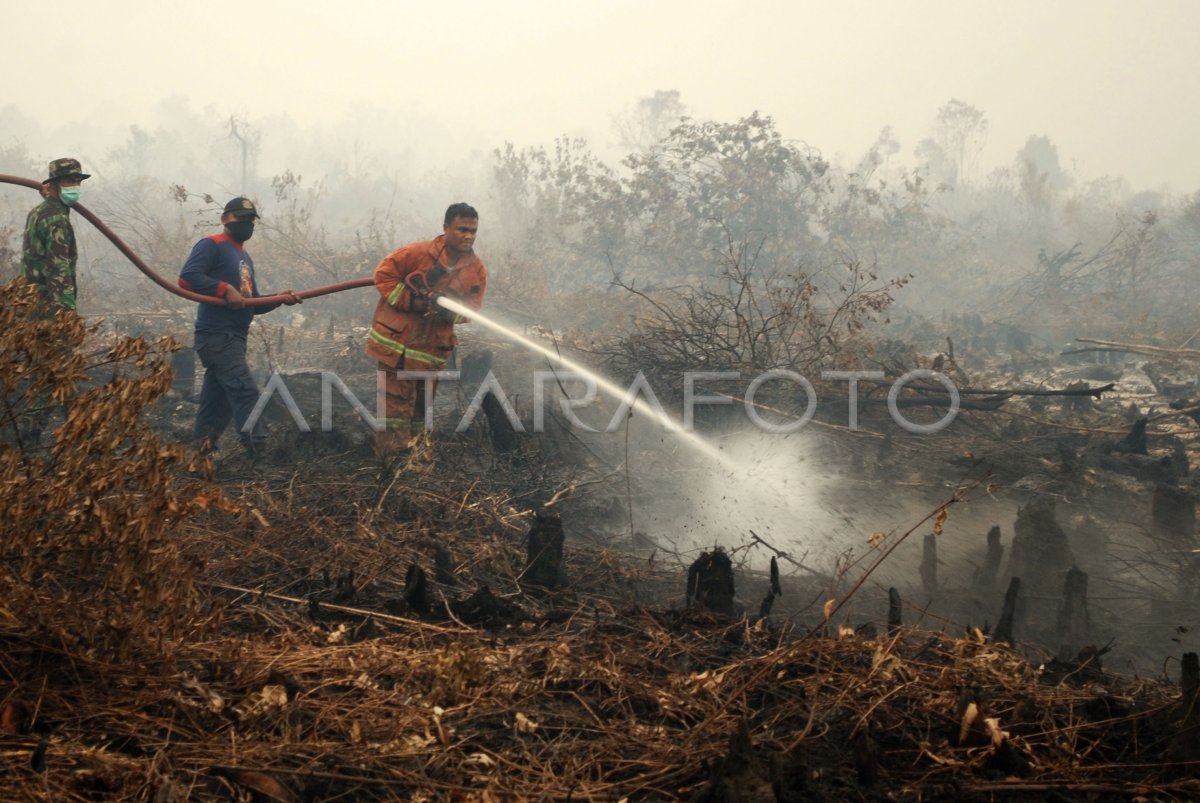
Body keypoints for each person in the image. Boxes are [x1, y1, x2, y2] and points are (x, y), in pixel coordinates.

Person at [178, 197, 301, 458]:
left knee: (217, 401)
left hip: (234, 337)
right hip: (216, 335)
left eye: (250, 220)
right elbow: (187, 277)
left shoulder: (244, 257)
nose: (247, 224)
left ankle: (200, 456)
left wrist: (278, 298)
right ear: (225, 219)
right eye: (241, 218)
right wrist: (223, 289)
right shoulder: (212, 244)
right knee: (244, 389)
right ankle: (259, 451)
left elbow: (251, 303)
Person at [366, 202, 487, 460]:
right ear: (446, 227)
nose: (468, 236)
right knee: (395, 409)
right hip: (397, 346)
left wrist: (448, 311)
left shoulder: (476, 270)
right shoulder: (416, 253)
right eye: (462, 229)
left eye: (473, 231)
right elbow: (383, 276)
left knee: (421, 410)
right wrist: (413, 302)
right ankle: (392, 464)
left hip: (430, 352)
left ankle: (415, 461)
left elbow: (472, 309)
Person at [21, 157, 90, 314]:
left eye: (78, 181)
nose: (75, 186)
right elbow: (58, 270)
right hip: (48, 310)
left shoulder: (38, 212)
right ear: (54, 183)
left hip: (30, 304)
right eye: (69, 181)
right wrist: (67, 314)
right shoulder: (56, 220)